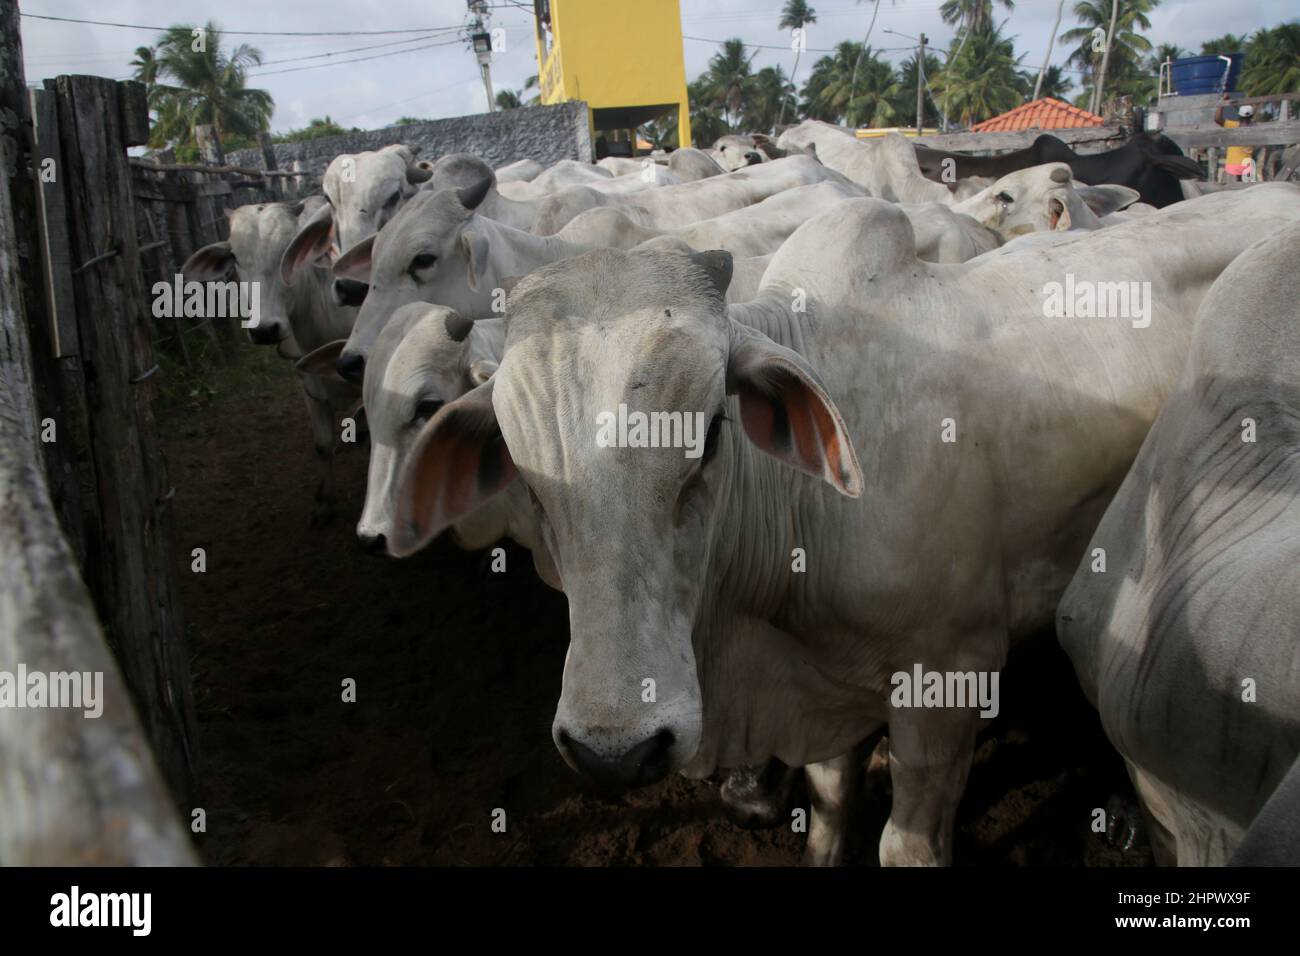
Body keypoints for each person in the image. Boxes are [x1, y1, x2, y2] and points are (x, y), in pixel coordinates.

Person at [1215, 94, 1256, 181]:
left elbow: (1217, 119)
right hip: (1247, 168)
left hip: (1232, 168)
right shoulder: (1255, 127)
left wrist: (1222, 103)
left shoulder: (1233, 125)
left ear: (1239, 116)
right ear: (1251, 117)